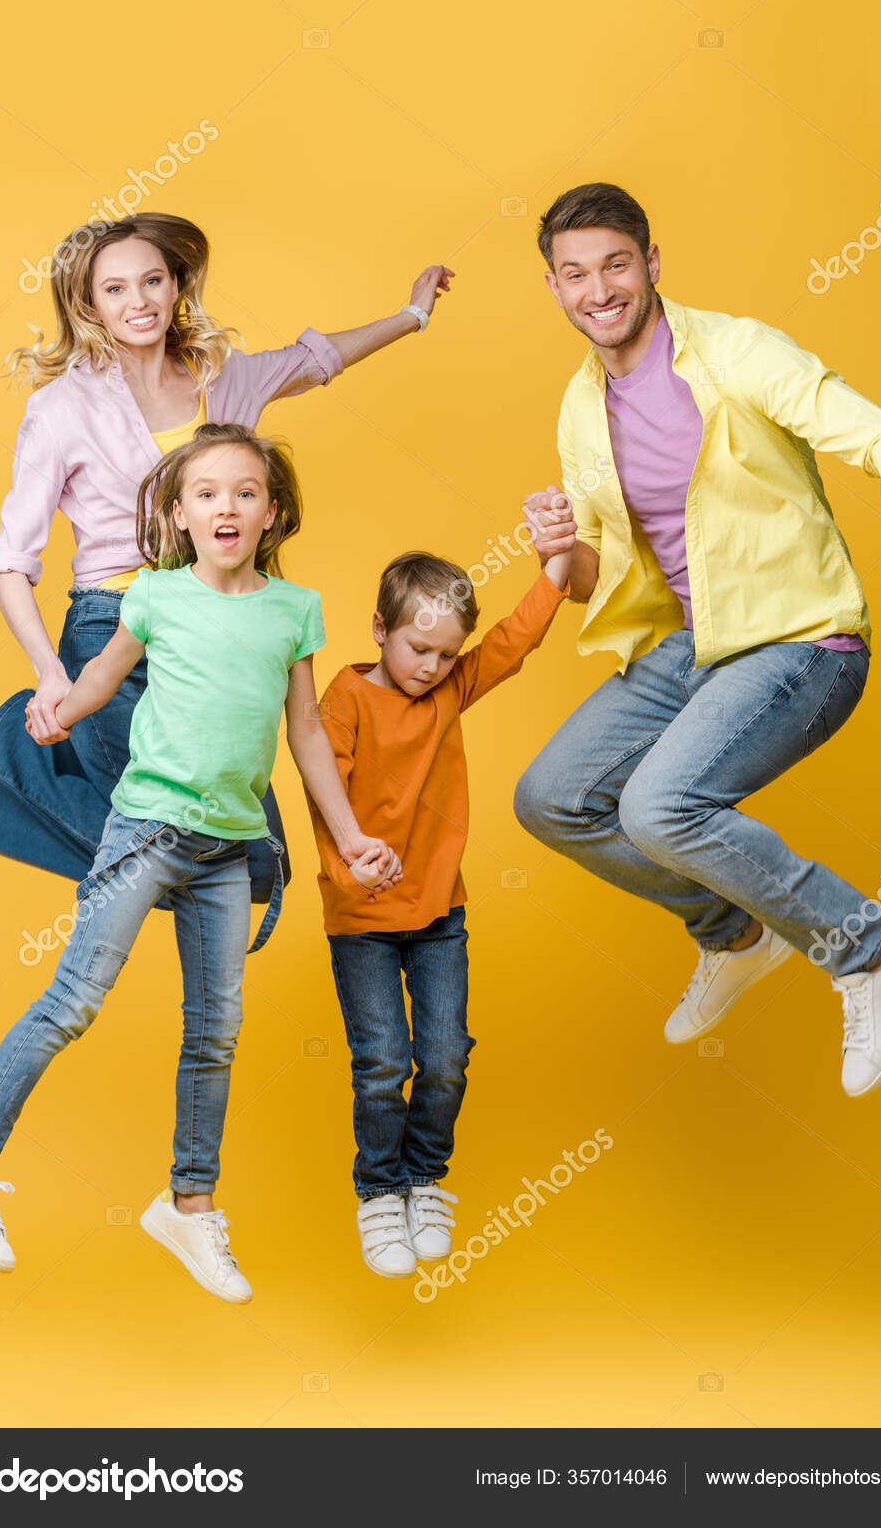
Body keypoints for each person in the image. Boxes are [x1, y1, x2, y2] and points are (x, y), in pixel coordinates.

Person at [0, 424, 402, 1303]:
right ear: (179, 513)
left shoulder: (295, 612)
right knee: (72, 1001)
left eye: (245, 493)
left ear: (271, 513)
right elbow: (100, 679)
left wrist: (352, 835)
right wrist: (54, 710)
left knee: (214, 1033)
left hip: (227, 849)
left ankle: (188, 1204)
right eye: (207, 493)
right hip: (144, 831)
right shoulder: (155, 598)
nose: (227, 506)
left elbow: (307, 737)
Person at [515, 181, 881, 1097]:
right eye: (574, 274)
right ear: (555, 290)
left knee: (657, 806)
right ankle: (735, 934)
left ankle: (869, 951)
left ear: (650, 265)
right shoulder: (578, 405)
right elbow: (606, 575)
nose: (598, 289)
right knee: (550, 798)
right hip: (693, 644)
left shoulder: (736, 350)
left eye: (614, 265)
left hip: (801, 640)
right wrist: (564, 557)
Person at [0, 211, 449, 929]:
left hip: (216, 621)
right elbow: (11, 560)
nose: (139, 302)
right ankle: (9, 748)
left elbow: (318, 360)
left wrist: (413, 313)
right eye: (116, 288)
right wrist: (50, 674)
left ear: (176, 287)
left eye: (153, 280)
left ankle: (11, 766)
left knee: (254, 864)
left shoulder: (221, 380)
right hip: (116, 624)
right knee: (172, 846)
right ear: (88, 305)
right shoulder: (61, 408)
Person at [305, 528, 572, 1277]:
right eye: (419, 649)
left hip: (438, 915)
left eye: (448, 654)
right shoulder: (346, 697)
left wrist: (555, 561)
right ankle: (379, 1190)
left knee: (447, 1059)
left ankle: (425, 1178)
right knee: (383, 1063)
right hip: (361, 920)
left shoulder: (453, 687)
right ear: (381, 631)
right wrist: (345, 868)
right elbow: (321, 796)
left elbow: (515, 641)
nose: (433, 667)